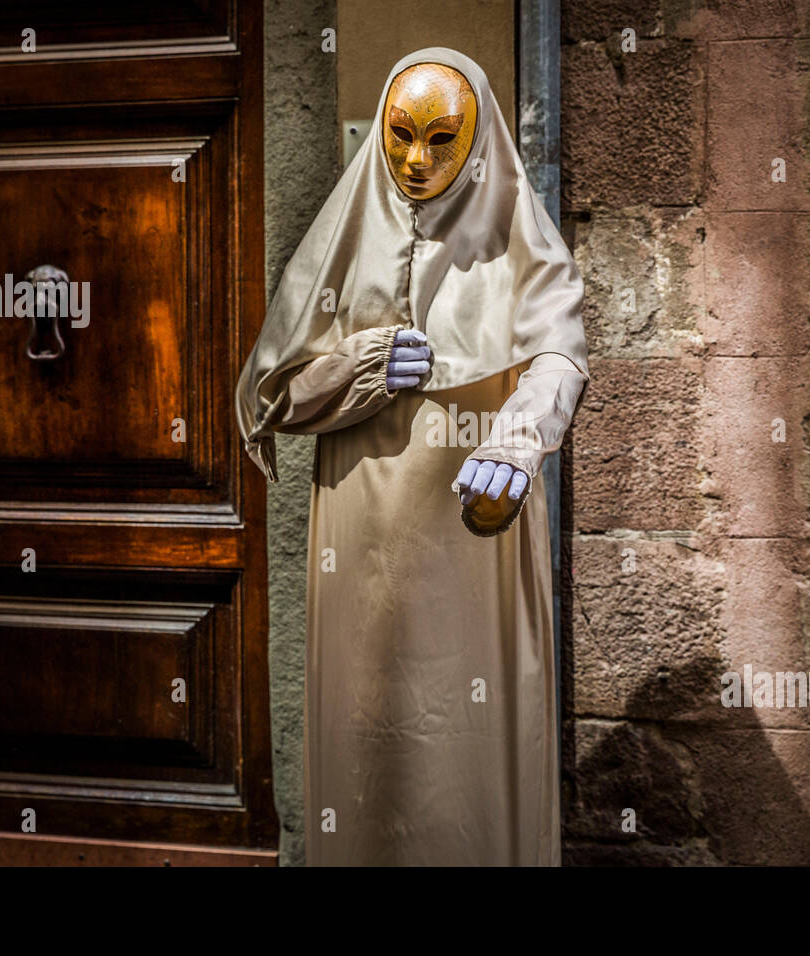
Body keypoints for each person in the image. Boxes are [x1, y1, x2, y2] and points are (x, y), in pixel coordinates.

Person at [235, 46, 589, 866]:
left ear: (480, 140)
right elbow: (274, 391)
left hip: (474, 536)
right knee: (366, 732)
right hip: (358, 537)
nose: (416, 160)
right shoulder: (344, 235)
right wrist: (354, 368)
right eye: (399, 136)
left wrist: (516, 435)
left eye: (440, 138)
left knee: (468, 740)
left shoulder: (517, 240)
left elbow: (559, 356)